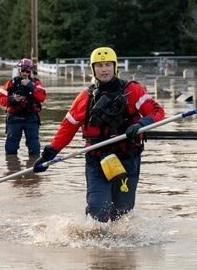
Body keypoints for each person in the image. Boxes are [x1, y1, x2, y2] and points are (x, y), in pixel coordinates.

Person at [32, 47, 165, 222]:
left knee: (122, 213)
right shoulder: (84, 98)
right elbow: (67, 128)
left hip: (128, 159)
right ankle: (94, 245)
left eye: (108, 65)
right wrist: (48, 155)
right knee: (98, 210)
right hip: (97, 160)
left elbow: (157, 112)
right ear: (93, 69)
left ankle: (116, 249)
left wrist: (141, 124)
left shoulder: (133, 90)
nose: (104, 69)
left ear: (115, 66)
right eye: (100, 65)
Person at [0, 58, 46, 157]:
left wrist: (31, 87)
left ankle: (33, 166)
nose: (25, 73)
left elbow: (42, 97)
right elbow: (0, 99)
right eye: (23, 71)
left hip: (31, 117)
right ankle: (12, 167)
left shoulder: (36, 84)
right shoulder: (11, 83)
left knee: (34, 146)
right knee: (11, 146)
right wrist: (12, 99)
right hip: (14, 117)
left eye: (27, 71)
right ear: (19, 70)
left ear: (31, 71)